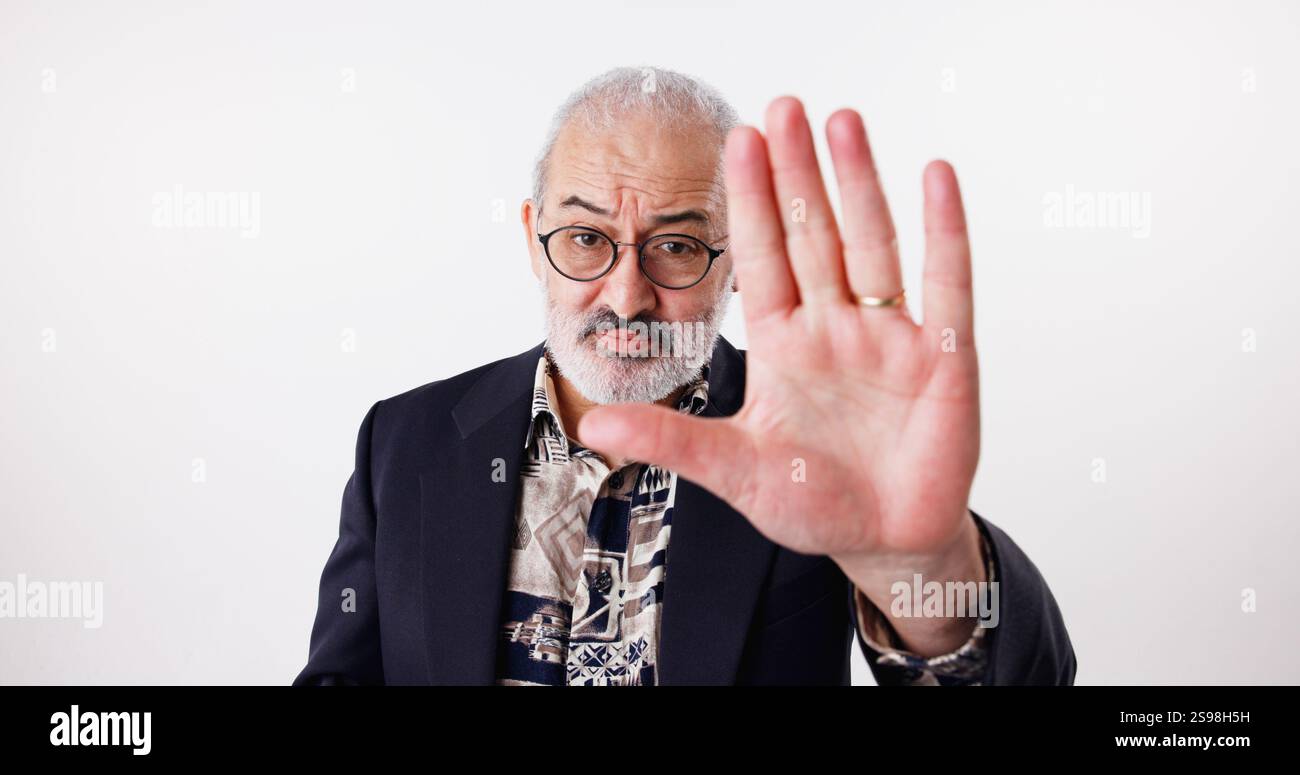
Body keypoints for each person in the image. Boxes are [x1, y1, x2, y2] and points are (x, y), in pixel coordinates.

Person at [294, 66, 1076, 686]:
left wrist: (922, 564)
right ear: (533, 241)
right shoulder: (403, 441)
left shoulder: (813, 446)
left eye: (676, 245)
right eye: (585, 236)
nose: (627, 296)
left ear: (736, 258)